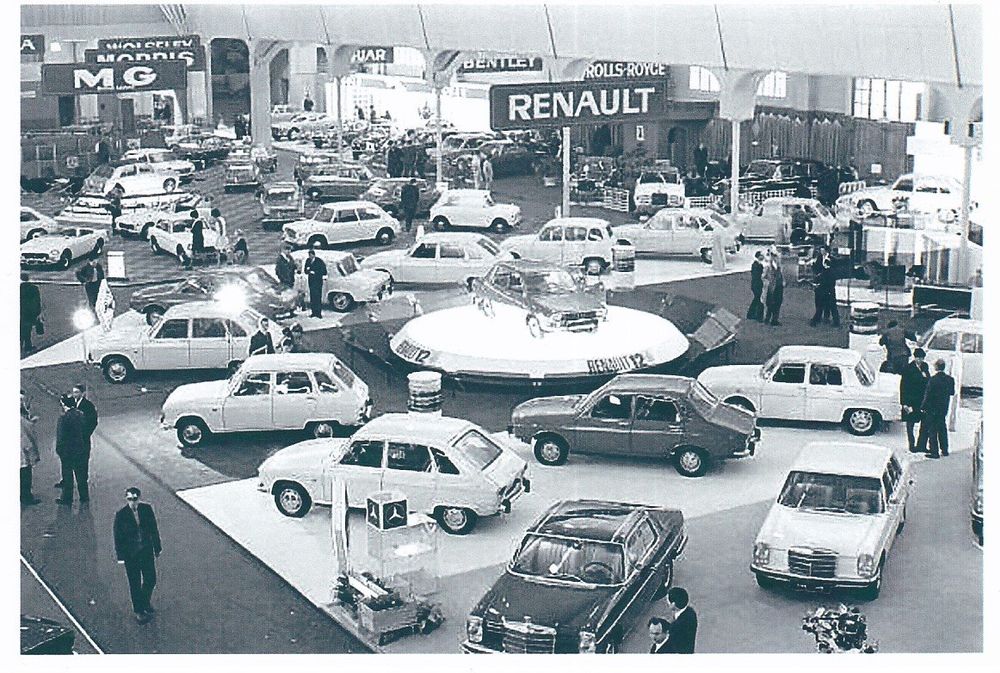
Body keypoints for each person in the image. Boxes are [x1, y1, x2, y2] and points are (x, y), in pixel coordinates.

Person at [113, 487, 162, 624]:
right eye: (129, 499)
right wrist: (120, 556)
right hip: (131, 555)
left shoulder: (146, 509)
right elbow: (118, 536)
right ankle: (139, 610)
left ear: (139, 498)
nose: (132, 502)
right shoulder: (121, 515)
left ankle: (144, 602)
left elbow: (153, 528)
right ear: (126, 499)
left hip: (146, 551)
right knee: (134, 583)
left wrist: (157, 547)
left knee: (151, 579)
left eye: (134, 499)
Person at [917, 359, 955, 459]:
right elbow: (952, 392)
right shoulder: (950, 379)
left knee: (932, 430)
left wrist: (923, 406)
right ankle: (945, 449)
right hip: (943, 408)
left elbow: (928, 394)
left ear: (936, 367)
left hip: (932, 408)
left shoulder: (933, 380)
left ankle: (934, 451)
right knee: (942, 428)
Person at [55, 394, 88, 505]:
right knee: (81, 475)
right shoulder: (81, 414)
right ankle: (84, 496)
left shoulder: (63, 418)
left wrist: (59, 451)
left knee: (68, 475)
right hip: (80, 449)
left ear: (64, 404)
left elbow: (60, 437)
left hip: (67, 452)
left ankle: (67, 498)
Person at [900, 348, 930, 453]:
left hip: (922, 401)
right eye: (918, 358)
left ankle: (921, 445)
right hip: (911, 400)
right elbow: (903, 386)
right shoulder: (908, 369)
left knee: (925, 423)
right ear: (915, 357)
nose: (920, 360)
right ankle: (912, 445)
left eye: (921, 358)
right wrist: (904, 403)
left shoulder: (925, 367)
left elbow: (928, 382)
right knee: (910, 424)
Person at [21, 390, 41, 505]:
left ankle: (24, 496)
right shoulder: (20, 419)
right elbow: (26, 436)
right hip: (23, 452)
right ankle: (26, 497)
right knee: (25, 475)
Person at [663, 587, 698, 653]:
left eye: (668, 601)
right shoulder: (691, 612)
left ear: (673, 604)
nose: (667, 603)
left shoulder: (676, 627)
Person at [20, 272, 42, 354]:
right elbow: (37, 302)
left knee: (21, 330)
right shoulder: (33, 288)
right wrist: (38, 313)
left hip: (20, 312)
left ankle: (21, 345)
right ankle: (28, 346)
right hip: (30, 313)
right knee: (27, 330)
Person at [304, 247, 328, 318]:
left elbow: (324, 271)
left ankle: (318, 313)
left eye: (311, 255)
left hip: (317, 281)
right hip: (311, 282)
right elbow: (305, 270)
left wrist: (315, 272)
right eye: (309, 255)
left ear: (314, 255)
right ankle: (313, 312)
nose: (310, 257)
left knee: (318, 297)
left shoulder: (319, 261)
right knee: (312, 297)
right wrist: (308, 271)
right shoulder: (308, 261)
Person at [763, 250, 785, 326]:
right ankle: (767, 318)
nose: (777, 258)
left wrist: (782, 282)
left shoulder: (779, 266)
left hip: (779, 287)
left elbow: (781, 275)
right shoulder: (768, 267)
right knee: (770, 303)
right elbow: (764, 276)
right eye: (775, 257)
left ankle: (774, 320)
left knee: (778, 303)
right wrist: (768, 282)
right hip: (772, 287)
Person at [747, 251, 765, 321]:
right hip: (757, 284)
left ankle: (752, 314)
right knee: (758, 299)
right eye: (761, 255)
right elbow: (757, 275)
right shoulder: (757, 265)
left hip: (756, 284)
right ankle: (756, 315)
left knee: (757, 299)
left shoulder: (757, 264)